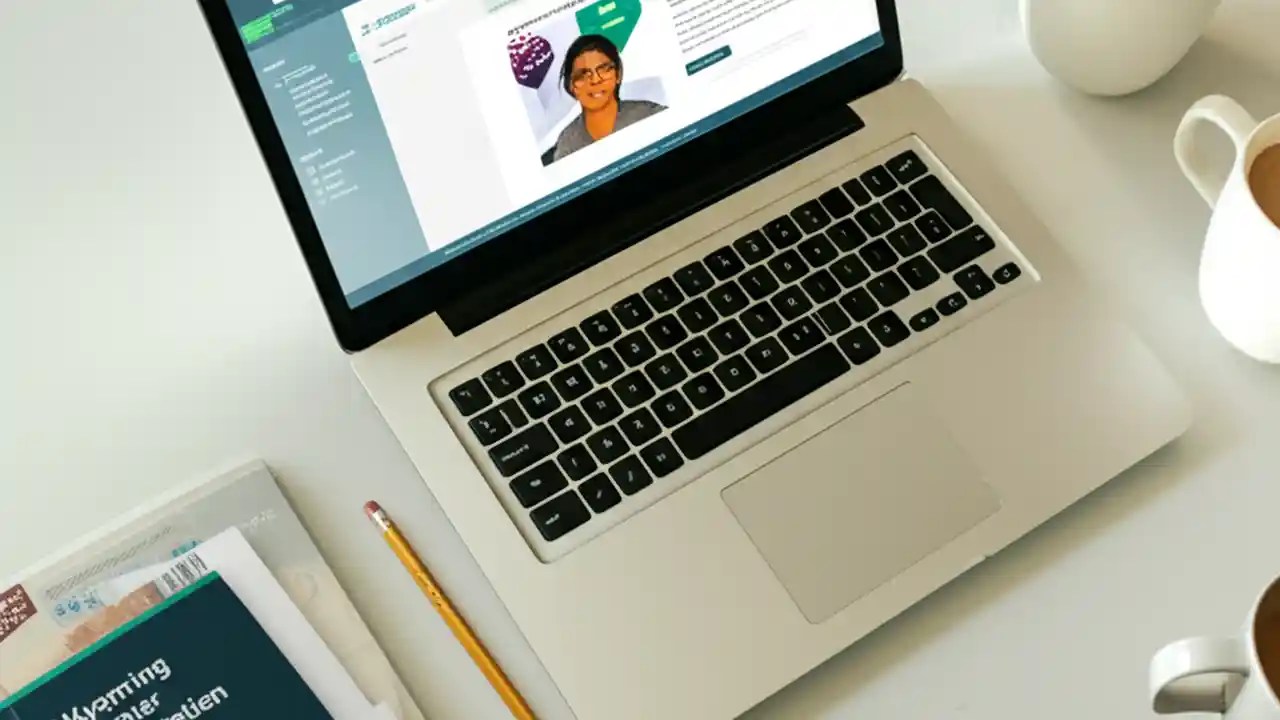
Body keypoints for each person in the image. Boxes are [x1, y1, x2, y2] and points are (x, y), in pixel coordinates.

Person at [552, 34, 666, 162]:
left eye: (604, 69)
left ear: (618, 74)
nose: (595, 80)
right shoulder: (567, 143)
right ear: (571, 86)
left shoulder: (649, 115)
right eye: (582, 75)